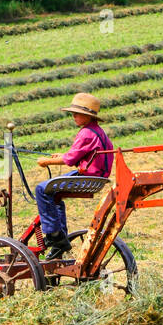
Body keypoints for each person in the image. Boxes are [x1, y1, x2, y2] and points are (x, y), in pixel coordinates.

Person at [34, 92, 114, 259]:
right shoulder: (97, 131)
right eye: (73, 113)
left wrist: (46, 162)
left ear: (87, 116)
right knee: (54, 193)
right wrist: (60, 155)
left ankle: (55, 235)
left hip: (86, 176)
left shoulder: (85, 133)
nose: (74, 116)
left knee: (42, 189)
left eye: (76, 113)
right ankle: (59, 236)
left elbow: (70, 160)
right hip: (96, 176)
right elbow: (77, 154)